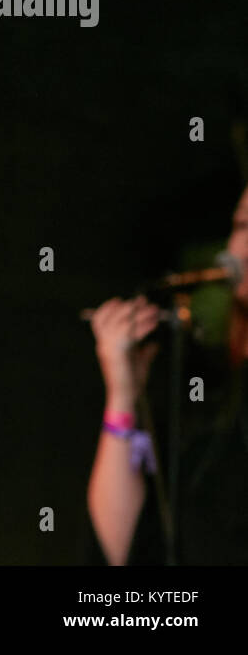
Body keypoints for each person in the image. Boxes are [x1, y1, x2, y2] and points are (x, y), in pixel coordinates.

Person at [86, 183, 248, 565]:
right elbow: (120, 546)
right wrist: (123, 394)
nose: (238, 246)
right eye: (241, 224)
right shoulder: (209, 394)